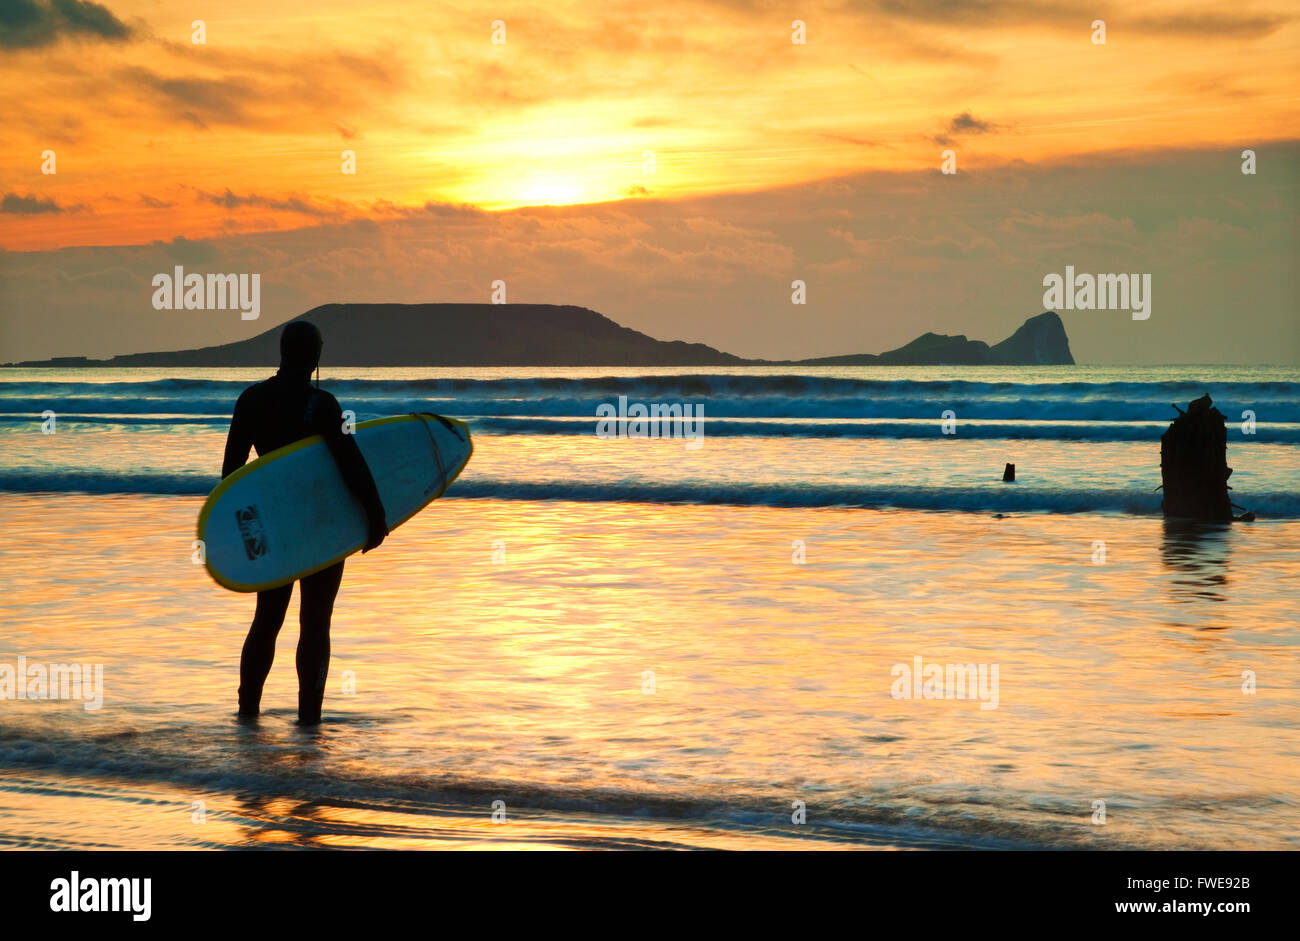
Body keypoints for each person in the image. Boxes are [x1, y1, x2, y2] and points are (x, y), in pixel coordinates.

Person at [221, 321, 388, 725]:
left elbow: (230, 475)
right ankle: (309, 717)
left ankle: (247, 714)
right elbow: (352, 465)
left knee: (267, 619)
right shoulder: (324, 405)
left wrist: (236, 533)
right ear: (316, 356)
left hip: (273, 526)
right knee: (315, 621)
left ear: (281, 352)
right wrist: (375, 516)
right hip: (319, 526)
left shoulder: (252, 399)